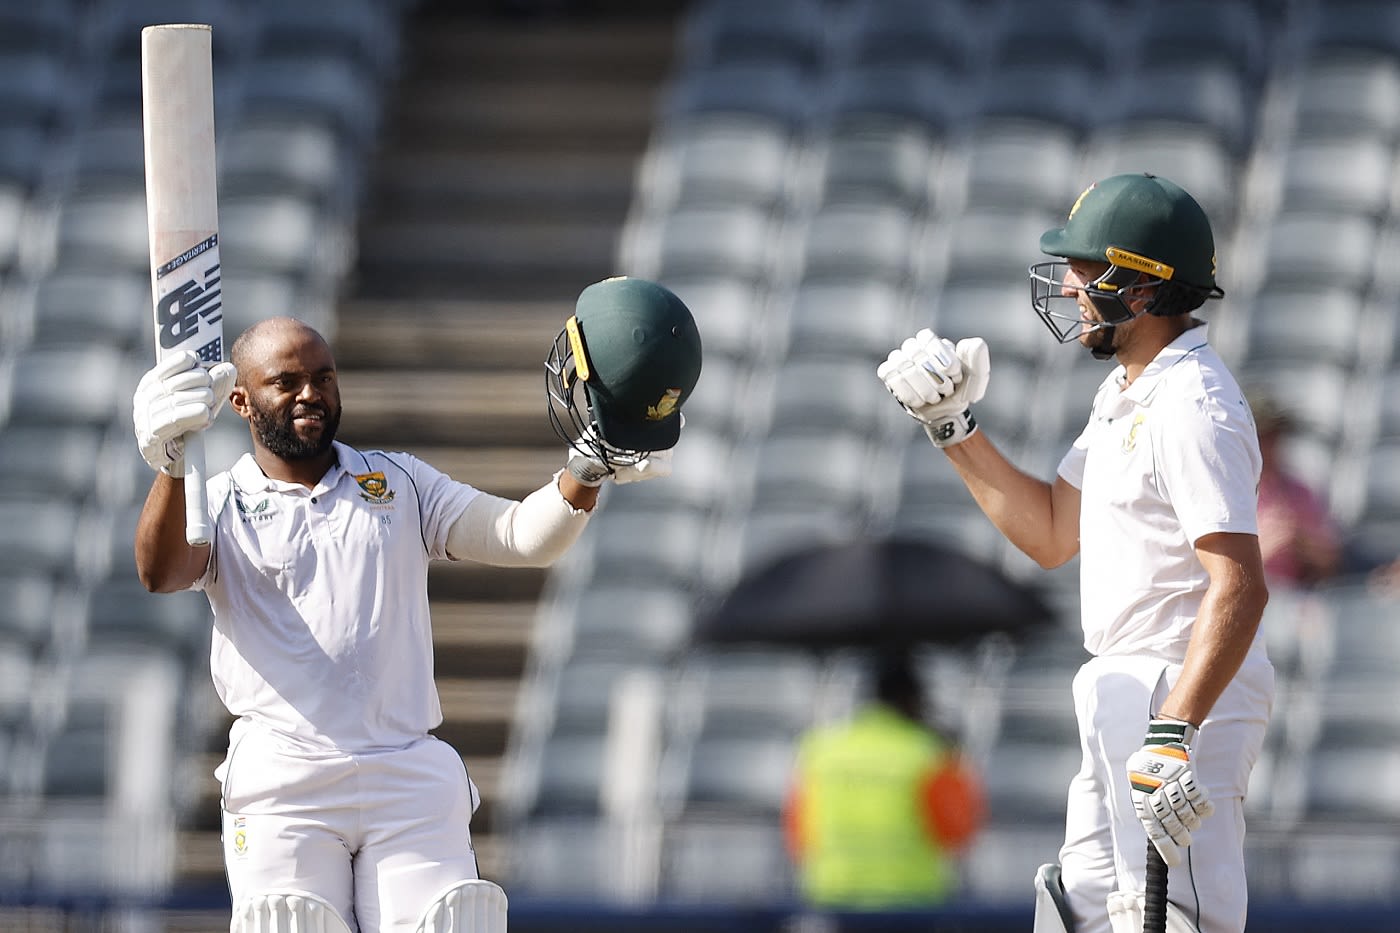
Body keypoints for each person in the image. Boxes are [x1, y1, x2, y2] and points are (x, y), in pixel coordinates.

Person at [132, 277, 702, 933]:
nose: (310, 393)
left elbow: (520, 536)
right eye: (285, 382)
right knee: (288, 922)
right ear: (241, 400)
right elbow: (163, 571)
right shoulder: (223, 499)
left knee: (452, 921)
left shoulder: (396, 481)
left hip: (403, 767)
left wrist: (586, 469)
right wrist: (173, 463)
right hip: (283, 779)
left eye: (322, 376)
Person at [878, 174, 1272, 933]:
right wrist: (954, 426)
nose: (1068, 286)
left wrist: (1175, 728)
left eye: (1087, 269)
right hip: (1122, 682)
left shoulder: (1195, 404)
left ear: (1146, 287)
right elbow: (1053, 532)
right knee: (1079, 912)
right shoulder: (1131, 392)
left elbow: (1240, 586)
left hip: (1175, 684)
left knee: (1174, 921)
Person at [781, 652, 985, 909]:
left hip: (832, 899)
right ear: (912, 700)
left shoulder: (821, 750)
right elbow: (958, 831)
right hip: (910, 902)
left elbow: (797, 835)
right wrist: (956, 765)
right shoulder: (927, 753)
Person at [1249, 391, 1342, 588]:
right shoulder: (1233, 492)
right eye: (1262, 436)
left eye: (1275, 435)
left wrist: (1300, 541)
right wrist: (1267, 546)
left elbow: (1331, 561)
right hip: (1250, 596)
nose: (1270, 444)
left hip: (1294, 599)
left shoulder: (1299, 490)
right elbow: (1220, 569)